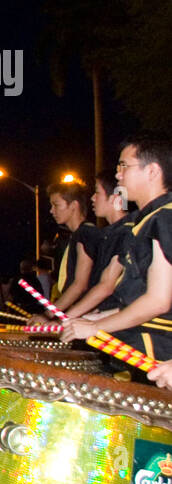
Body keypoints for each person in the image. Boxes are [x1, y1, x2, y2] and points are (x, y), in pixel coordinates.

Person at [63, 132, 172, 365]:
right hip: (142, 336)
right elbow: (137, 298)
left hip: (157, 345)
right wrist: (95, 317)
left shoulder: (164, 218)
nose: (117, 174)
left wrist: (95, 326)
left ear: (152, 171)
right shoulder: (146, 221)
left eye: (124, 166)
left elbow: (159, 301)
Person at [60, 172, 135, 320]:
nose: (93, 198)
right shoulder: (110, 234)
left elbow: (106, 286)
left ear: (116, 198)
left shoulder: (127, 232)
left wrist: (62, 319)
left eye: (97, 192)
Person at [29, 181, 101, 319]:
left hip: (85, 316)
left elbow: (80, 284)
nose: (51, 210)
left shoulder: (85, 234)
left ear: (74, 205)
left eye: (56, 205)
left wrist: (48, 315)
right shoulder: (78, 235)